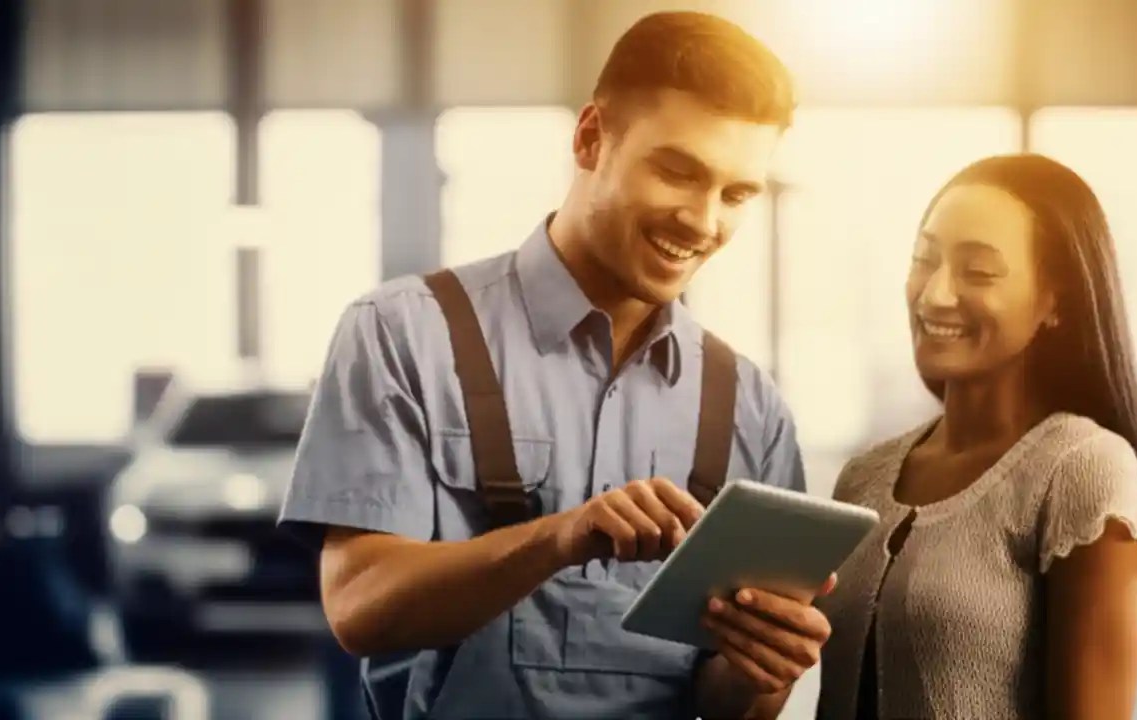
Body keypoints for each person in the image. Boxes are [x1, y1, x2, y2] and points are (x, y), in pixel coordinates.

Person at [278, 11, 833, 720]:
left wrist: (763, 673)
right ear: (591, 137)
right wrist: (562, 536)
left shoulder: (752, 408)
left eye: (736, 194)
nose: (702, 220)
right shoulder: (403, 333)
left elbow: (728, 706)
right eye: (676, 171)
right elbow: (358, 606)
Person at [816, 154, 1137, 720]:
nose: (934, 295)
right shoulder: (862, 478)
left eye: (979, 273)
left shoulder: (1084, 470)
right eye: (923, 260)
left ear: (1055, 301)